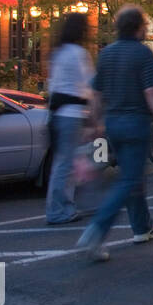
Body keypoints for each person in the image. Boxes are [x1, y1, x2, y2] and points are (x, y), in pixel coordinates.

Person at [75, 5, 153, 261]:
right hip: (136, 123)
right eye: (144, 24)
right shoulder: (143, 54)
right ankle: (97, 228)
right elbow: (151, 92)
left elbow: (96, 93)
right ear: (138, 27)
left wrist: (94, 124)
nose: (146, 28)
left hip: (113, 124)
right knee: (129, 180)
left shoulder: (106, 54)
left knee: (133, 177)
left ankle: (143, 227)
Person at [45, 13, 94, 224]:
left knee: (63, 162)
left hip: (57, 113)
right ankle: (59, 210)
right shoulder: (77, 53)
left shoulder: (57, 52)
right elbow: (89, 84)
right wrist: (94, 114)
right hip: (72, 114)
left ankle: (63, 207)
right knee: (66, 164)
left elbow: (52, 85)